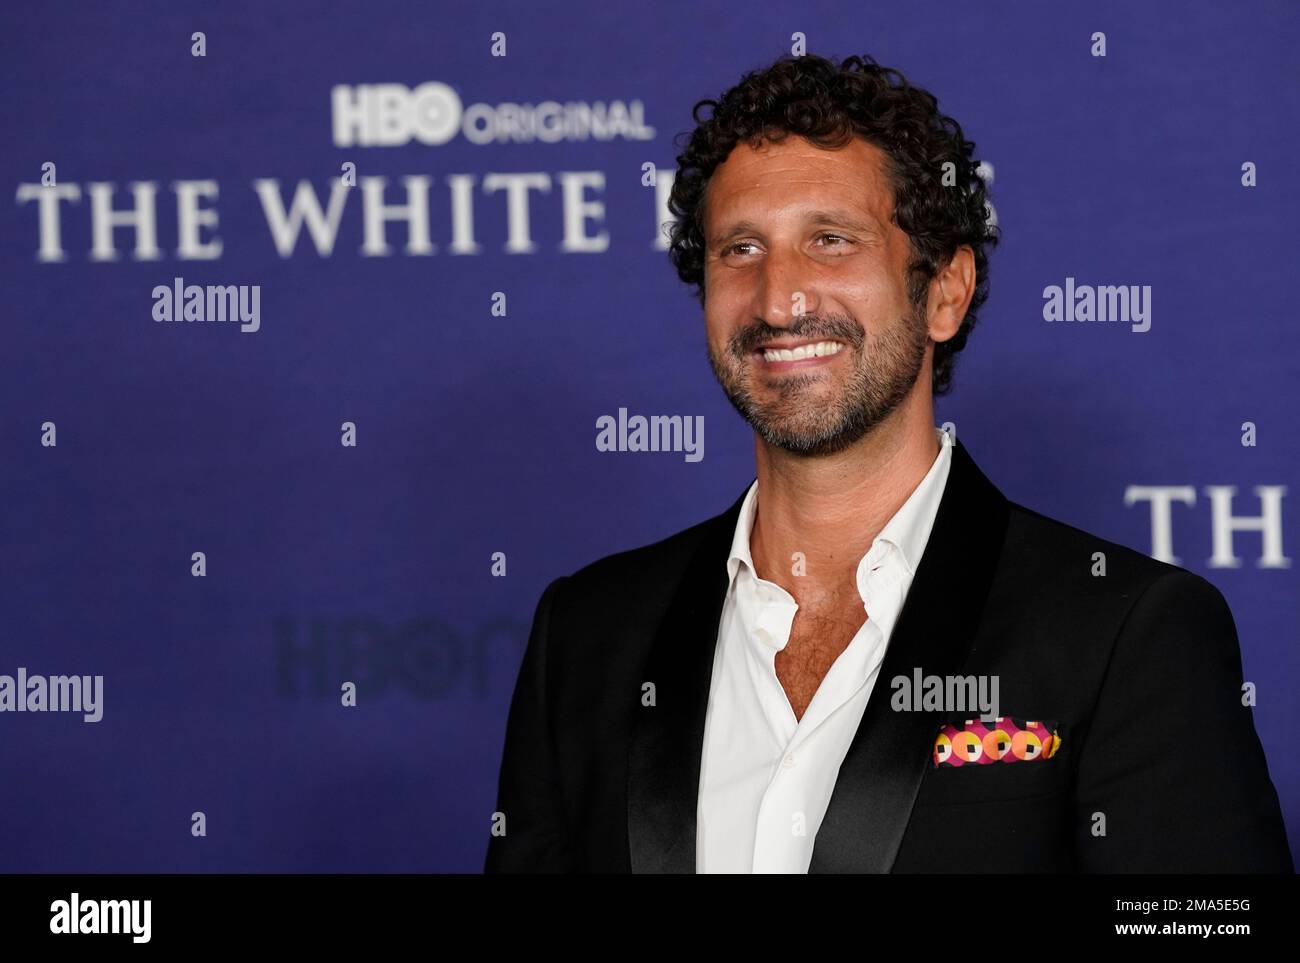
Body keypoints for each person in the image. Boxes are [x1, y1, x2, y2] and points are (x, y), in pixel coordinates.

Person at [484, 52, 1292, 873]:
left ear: (944, 291)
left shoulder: (1124, 632)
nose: (778, 299)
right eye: (741, 249)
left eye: (830, 241)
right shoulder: (587, 635)